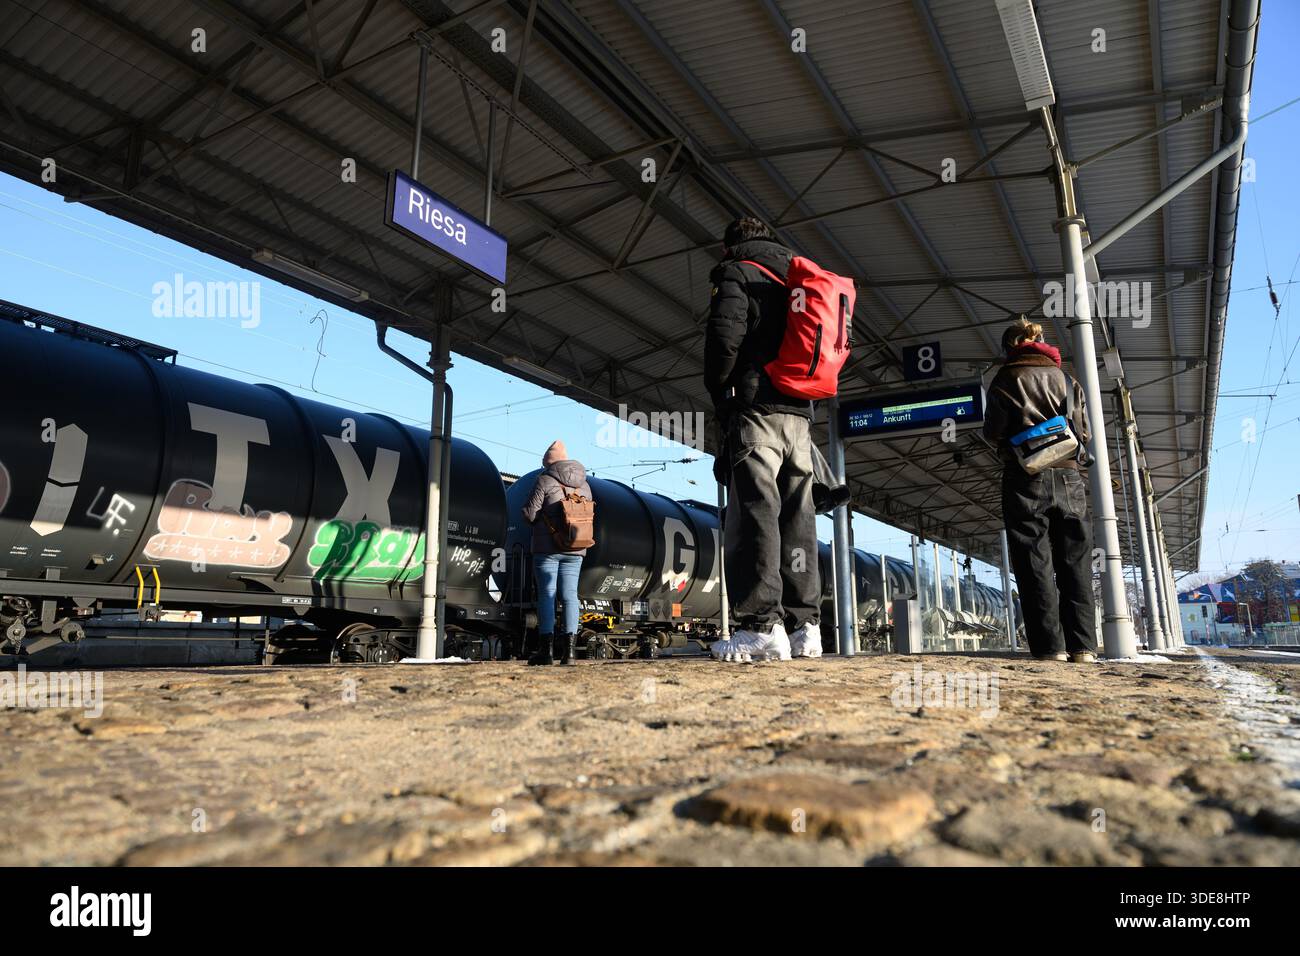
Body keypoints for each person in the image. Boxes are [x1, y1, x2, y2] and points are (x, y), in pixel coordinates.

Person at [704, 216, 821, 662]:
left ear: (730, 243)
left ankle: (759, 627)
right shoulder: (801, 273)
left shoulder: (736, 271)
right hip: (800, 416)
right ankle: (805, 627)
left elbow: (723, 338)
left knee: (755, 513)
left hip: (756, 409)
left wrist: (721, 392)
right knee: (799, 518)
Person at [983, 319, 1098, 663]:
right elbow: (1085, 433)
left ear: (1010, 347)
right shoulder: (1067, 379)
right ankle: (1084, 648)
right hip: (1068, 475)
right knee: (1075, 562)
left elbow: (994, 432)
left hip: (1025, 476)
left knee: (1033, 560)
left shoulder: (1007, 378)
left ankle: (1051, 649)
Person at [521, 440, 591, 666]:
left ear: (549, 463)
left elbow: (531, 514)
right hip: (576, 547)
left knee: (547, 596)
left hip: (547, 549)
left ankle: (546, 651)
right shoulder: (584, 485)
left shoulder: (544, 480)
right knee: (571, 596)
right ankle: (569, 653)